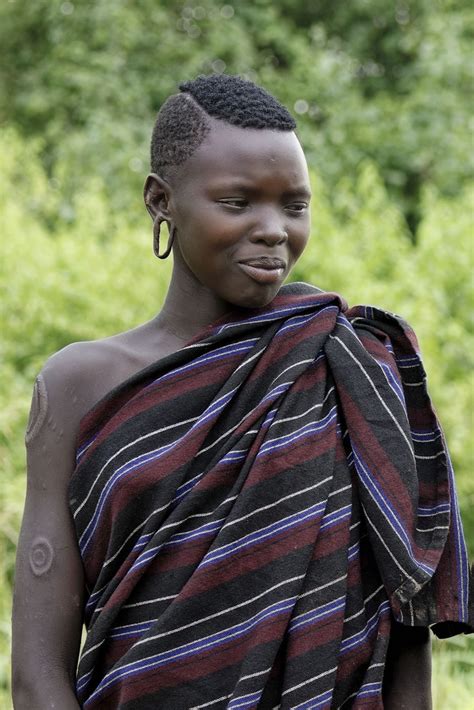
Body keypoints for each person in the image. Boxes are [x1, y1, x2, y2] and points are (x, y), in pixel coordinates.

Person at [12, 74, 471, 709]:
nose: (274, 230)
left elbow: (404, 633)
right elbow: (38, 674)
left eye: (295, 205)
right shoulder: (77, 386)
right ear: (160, 200)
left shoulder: (358, 364)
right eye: (237, 202)